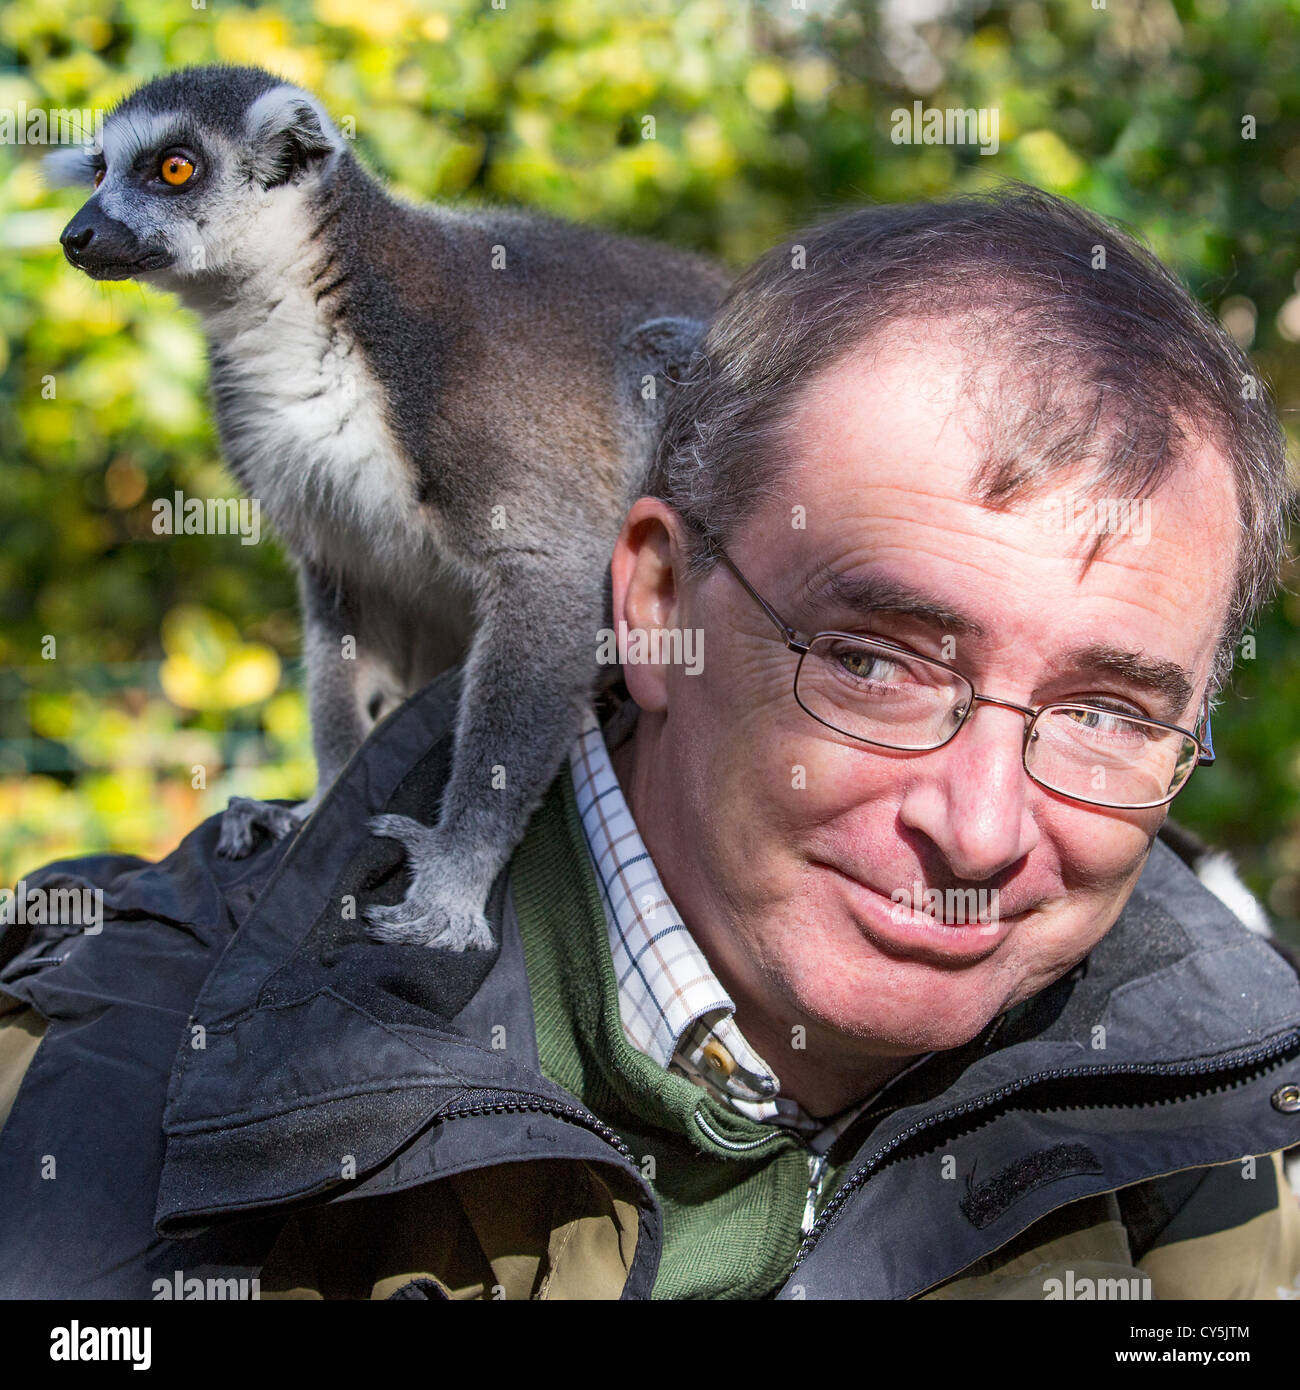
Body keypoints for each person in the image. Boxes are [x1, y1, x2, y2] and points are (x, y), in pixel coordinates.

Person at [2, 185, 1298, 1300]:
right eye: (873, 661)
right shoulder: (109, 1107)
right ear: (658, 602)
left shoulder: (1221, 1148)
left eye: (1104, 713)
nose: (977, 826)